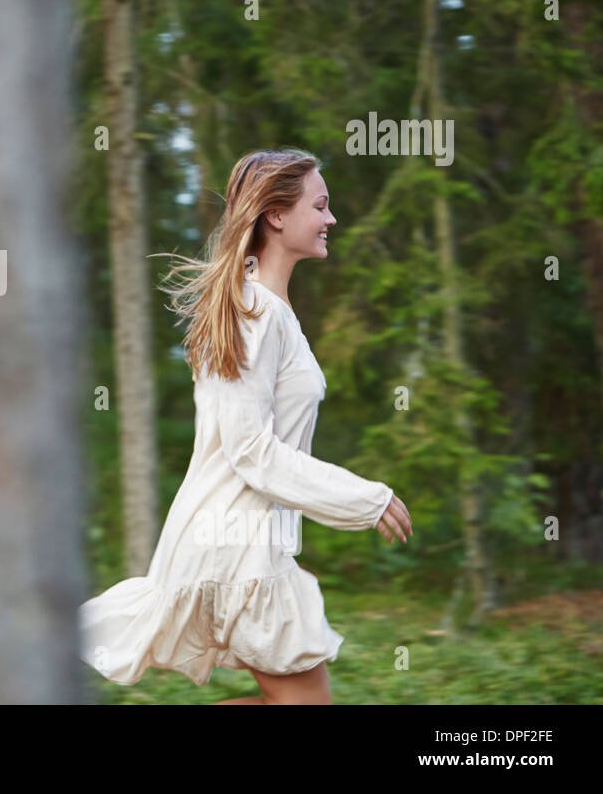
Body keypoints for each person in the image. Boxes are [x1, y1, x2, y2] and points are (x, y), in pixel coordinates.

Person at [78, 148, 412, 704]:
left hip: (248, 543)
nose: (331, 219)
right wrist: (363, 499)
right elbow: (251, 449)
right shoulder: (254, 310)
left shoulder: (269, 310)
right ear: (277, 216)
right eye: (320, 206)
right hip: (236, 545)